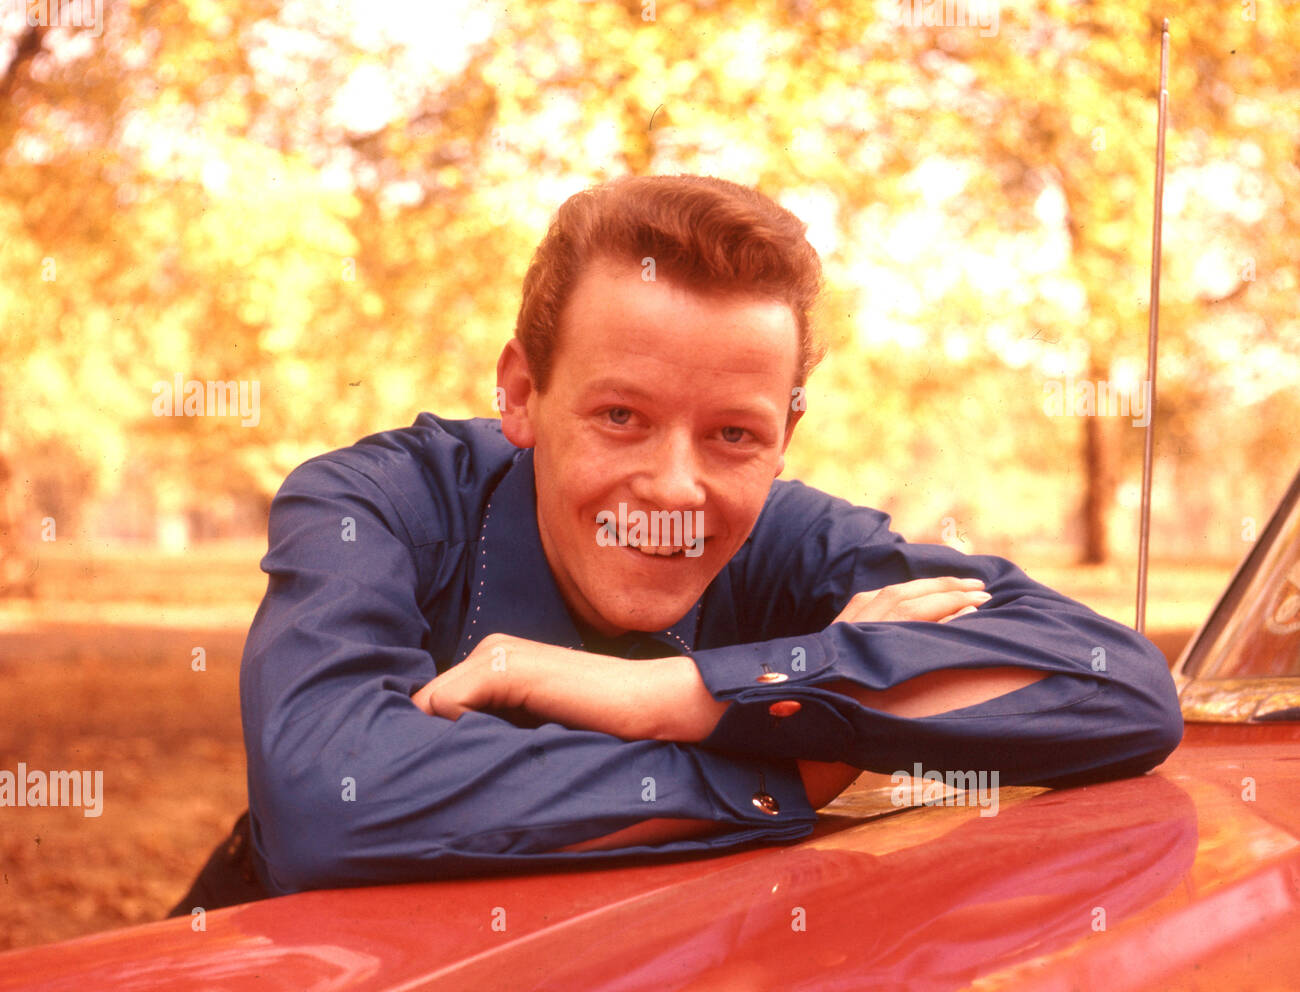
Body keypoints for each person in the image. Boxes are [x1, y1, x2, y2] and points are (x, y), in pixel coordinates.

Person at [171, 174, 1182, 912]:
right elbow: (325, 804)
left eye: (733, 433)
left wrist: (680, 694)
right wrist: (786, 757)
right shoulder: (373, 501)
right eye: (620, 415)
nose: (674, 486)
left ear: (783, 435)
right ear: (522, 392)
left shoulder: (788, 535)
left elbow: (1120, 691)